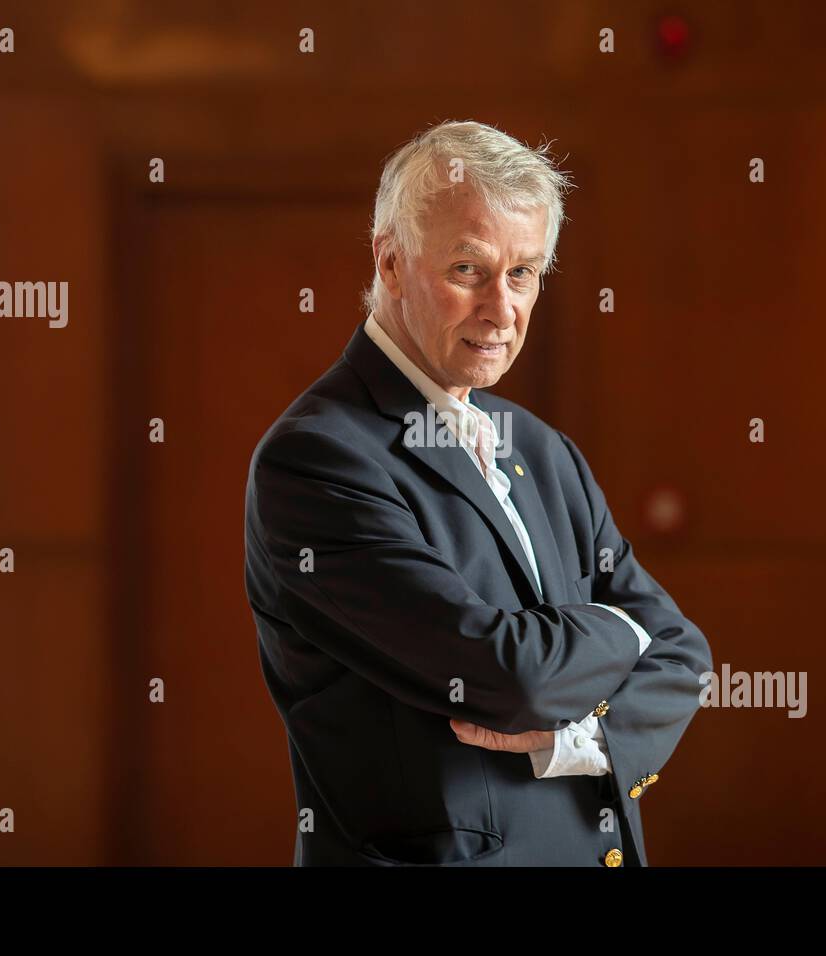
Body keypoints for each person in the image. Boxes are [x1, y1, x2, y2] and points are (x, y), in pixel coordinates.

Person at [245, 119, 712, 866]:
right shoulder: (316, 459)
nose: (502, 310)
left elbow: (685, 654)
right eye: (469, 270)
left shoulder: (540, 447)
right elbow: (506, 673)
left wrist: (578, 738)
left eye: (523, 273)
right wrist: (623, 632)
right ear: (390, 262)